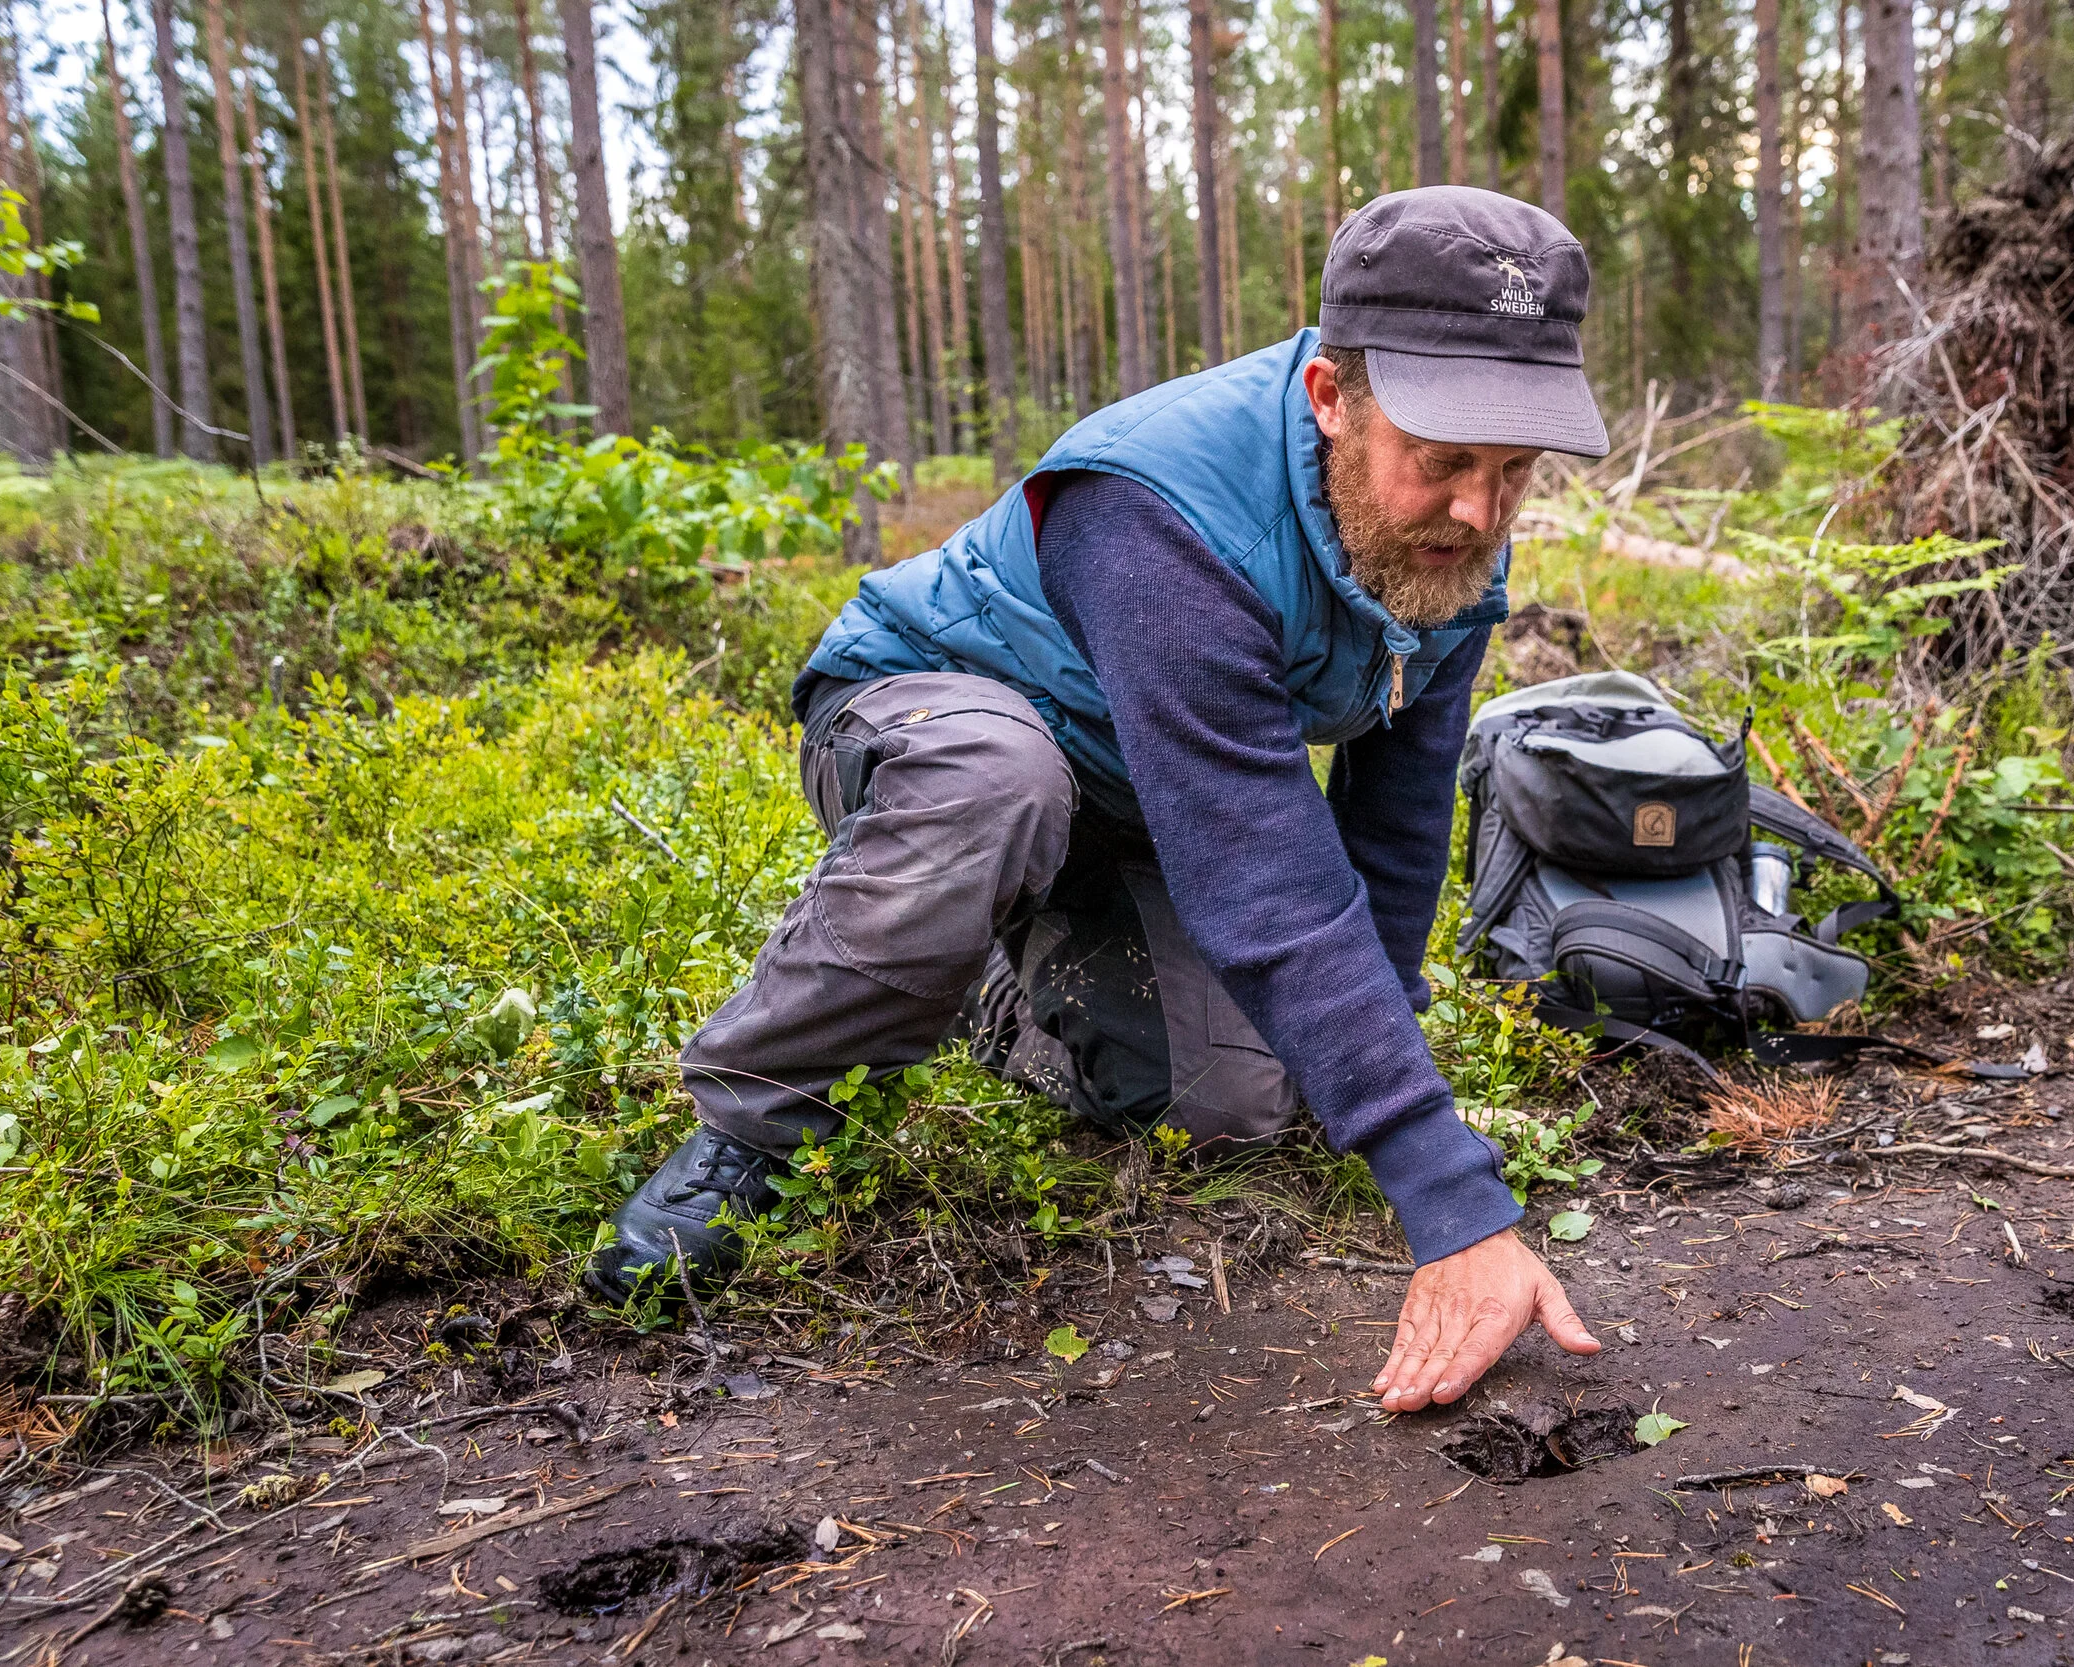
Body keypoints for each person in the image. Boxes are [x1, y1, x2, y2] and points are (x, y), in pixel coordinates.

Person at [586, 186, 1612, 1413]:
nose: (1479, 511)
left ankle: (968, 974)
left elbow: (1394, 817)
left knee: (1239, 1102)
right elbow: (1264, 872)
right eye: (1444, 464)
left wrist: (1388, 1071)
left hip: (1143, 790)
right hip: (935, 722)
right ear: (1331, 397)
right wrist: (1450, 1201)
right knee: (995, 783)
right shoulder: (1160, 511)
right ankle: (753, 1131)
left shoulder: (1443, 541)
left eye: (1514, 472)